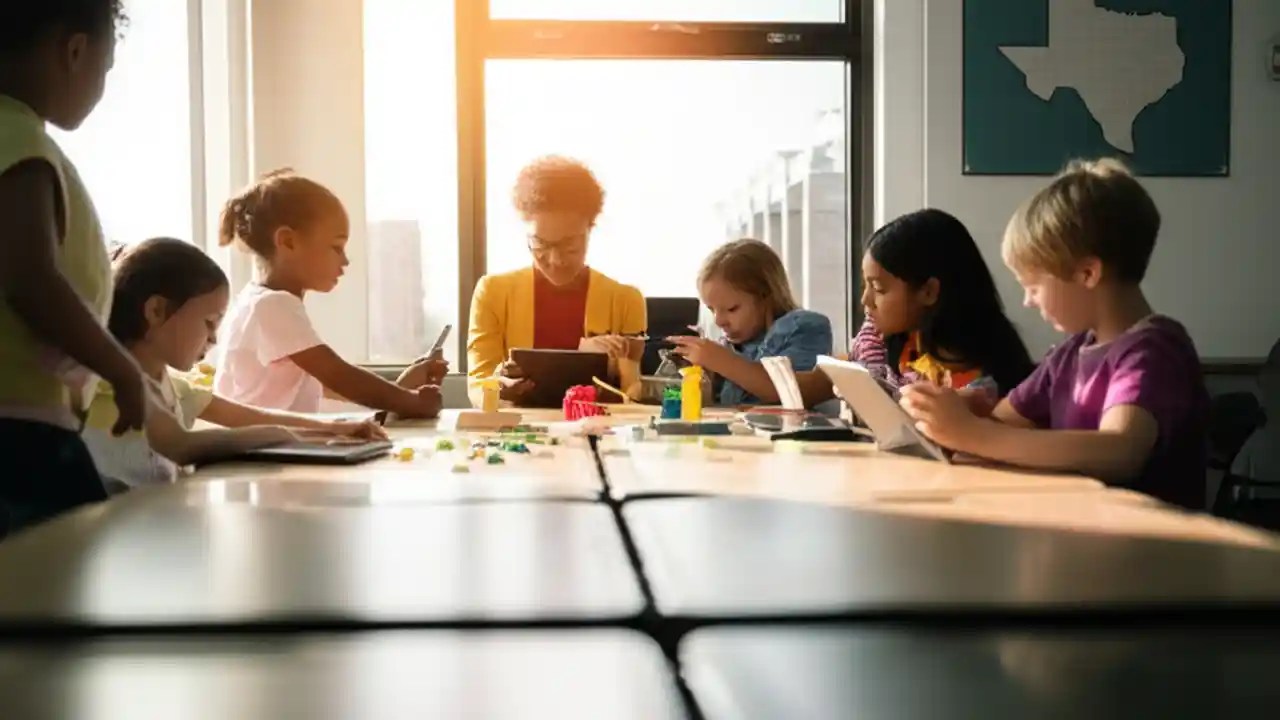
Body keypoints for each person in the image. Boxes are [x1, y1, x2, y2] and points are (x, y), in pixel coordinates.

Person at [900, 159, 1209, 509]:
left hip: (1154, 550)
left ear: (1087, 274)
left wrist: (975, 433)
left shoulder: (1152, 350)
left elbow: (1121, 451)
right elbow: (1004, 421)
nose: (1027, 301)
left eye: (1032, 286)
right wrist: (965, 413)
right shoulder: (1071, 353)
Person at [0, 0, 147, 535]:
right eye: (104, 70)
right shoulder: (17, 138)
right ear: (75, 51)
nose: (100, 86)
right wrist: (122, 369)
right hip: (19, 438)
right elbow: (30, 280)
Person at [83, 238, 386, 490]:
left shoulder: (173, 387)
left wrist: (337, 429)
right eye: (209, 323)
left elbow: (249, 417)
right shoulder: (105, 382)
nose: (213, 338)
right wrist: (278, 436)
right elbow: (181, 445)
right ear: (156, 311)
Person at [214, 169, 444, 417]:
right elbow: (337, 374)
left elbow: (325, 384)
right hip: (257, 451)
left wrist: (401, 389)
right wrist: (410, 402)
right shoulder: (272, 305)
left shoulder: (258, 301)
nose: (345, 261)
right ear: (288, 242)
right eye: (336, 247)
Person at [797, 209, 1034, 408]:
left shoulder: (979, 381)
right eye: (865, 286)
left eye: (879, 289)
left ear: (928, 291)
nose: (865, 300)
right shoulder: (890, 346)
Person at [467, 155, 646, 405]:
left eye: (570, 246)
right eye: (540, 244)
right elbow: (478, 384)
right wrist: (498, 387)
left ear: (589, 230)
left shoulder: (625, 300)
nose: (555, 260)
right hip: (518, 433)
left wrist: (607, 365)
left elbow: (633, 395)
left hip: (599, 433)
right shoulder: (493, 293)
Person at [667, 239, 832, 406]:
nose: (719, 321)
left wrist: (722, 361)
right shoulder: (731, 346)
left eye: (732, 309)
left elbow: (788, 392)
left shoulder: (804, 327)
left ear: (765, 296)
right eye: (712, 310)